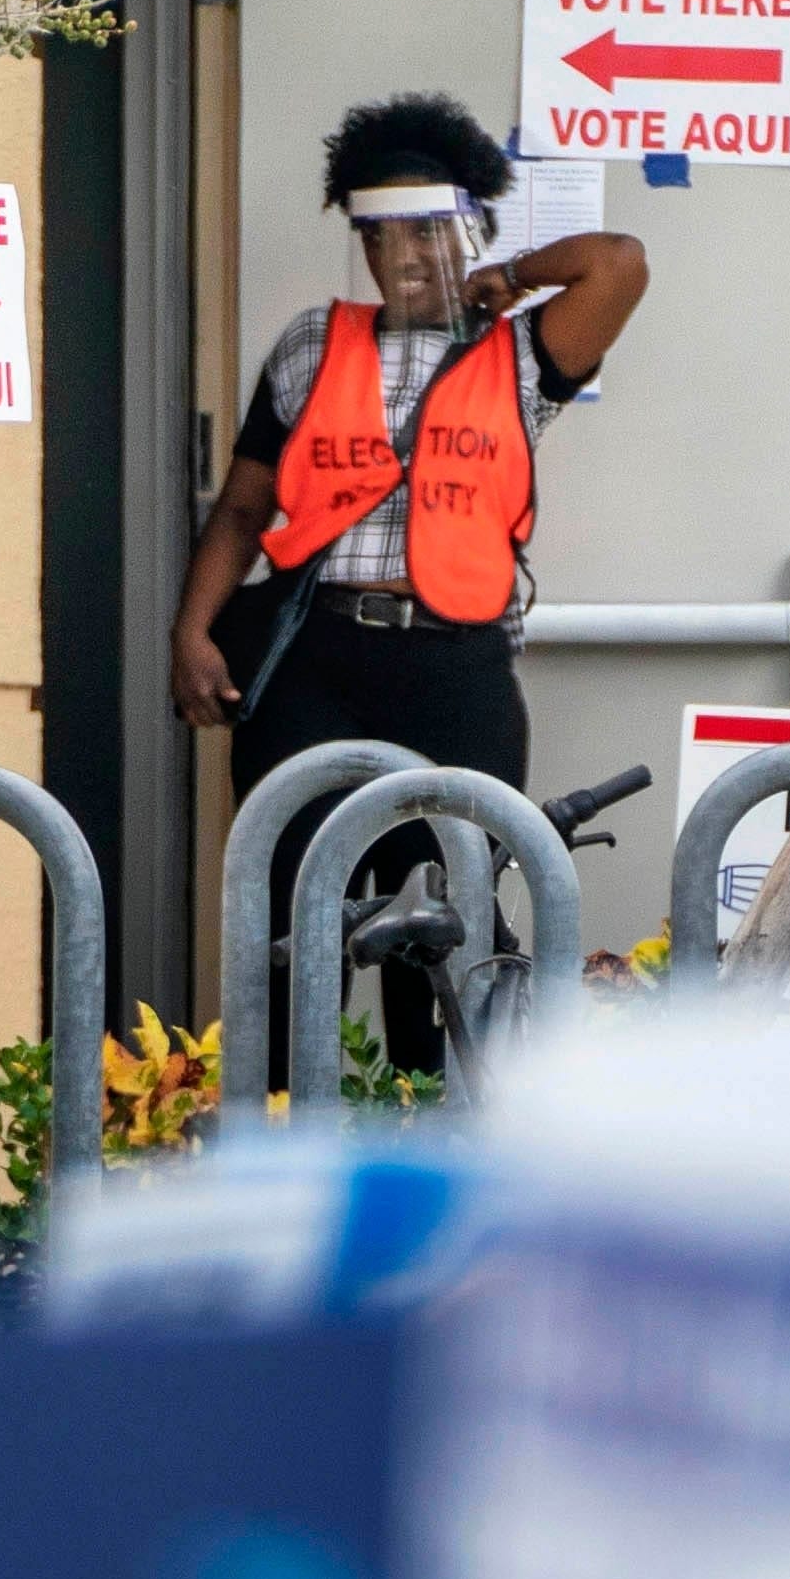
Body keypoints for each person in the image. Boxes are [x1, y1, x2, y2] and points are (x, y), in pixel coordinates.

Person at [171, 94, 649, 1074]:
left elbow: (619, 262)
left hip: (454, 666)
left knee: (440, 925)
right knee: (294, 914)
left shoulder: (522, 353)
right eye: (382, 237)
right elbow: (240, 508)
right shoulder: (312, 346)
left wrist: (507, 278)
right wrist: (192, 631)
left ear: (470, 227)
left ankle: (428, 1138)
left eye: (431, 230)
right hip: (316, 663)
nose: (409, 256)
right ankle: (281, 1130)